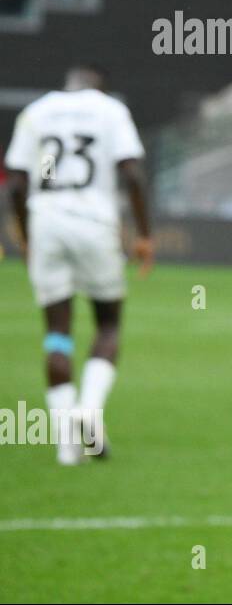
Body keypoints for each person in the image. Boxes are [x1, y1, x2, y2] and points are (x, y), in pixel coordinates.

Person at [4, 64, 153, 465]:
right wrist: (143, 235)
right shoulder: (110, 111)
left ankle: (67, 445)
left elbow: (15, 184)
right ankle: (89, 409)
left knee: (57, 333)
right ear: (99, 87)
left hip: (46, 222)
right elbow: (133, 175)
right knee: (107, 323)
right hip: (94, 223)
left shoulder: (36, 113)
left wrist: (27, 238)